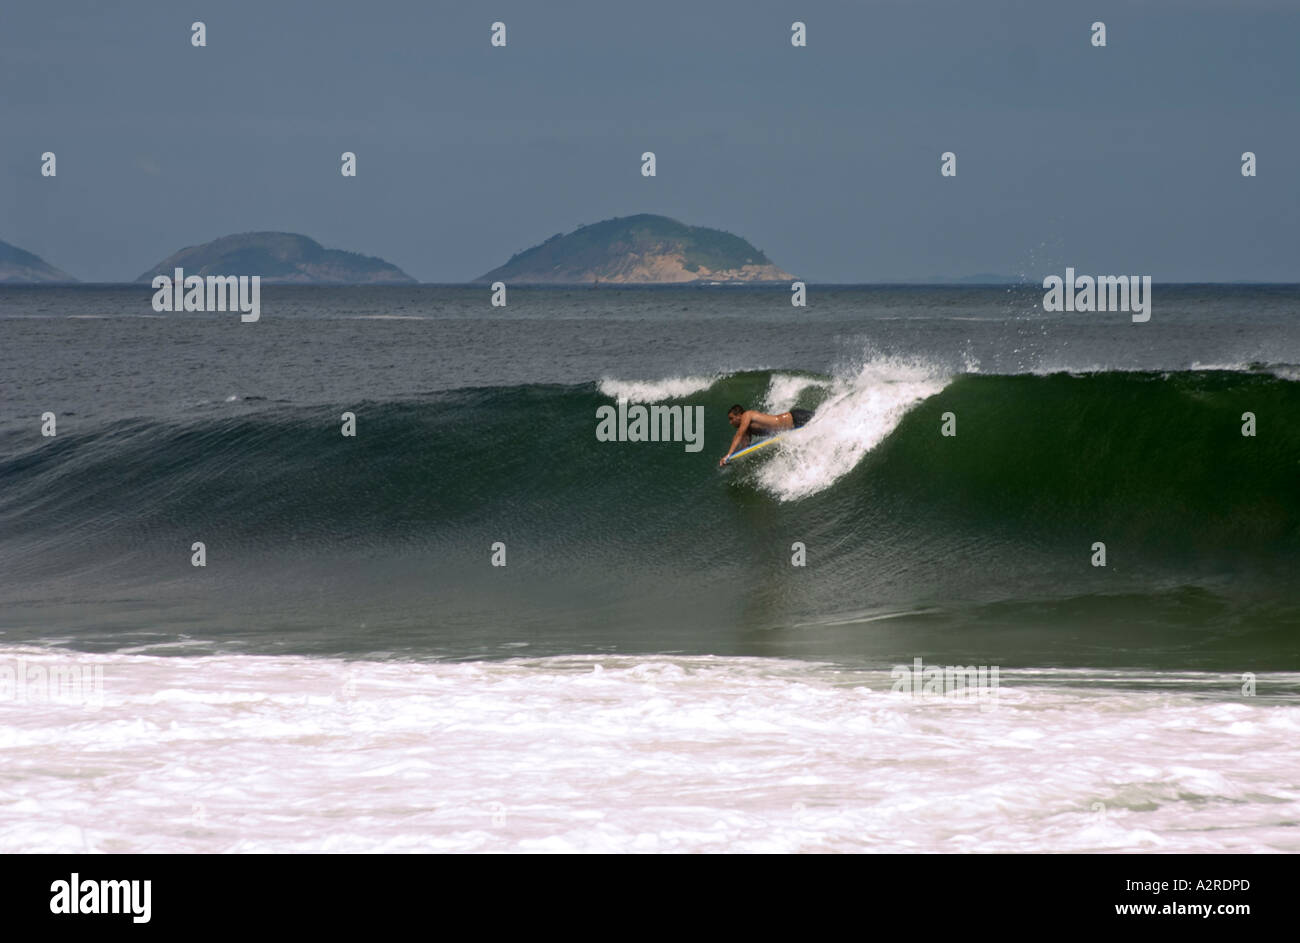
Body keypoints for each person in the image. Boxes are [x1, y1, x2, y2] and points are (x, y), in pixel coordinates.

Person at [719, 404, 814, 465]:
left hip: (796, 418)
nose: (730, 422)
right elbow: (745, 449)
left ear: (739, 415)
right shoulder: (747, 430)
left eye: (731, 419)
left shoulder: (747, 415)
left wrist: (728, 455)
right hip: (794, 425)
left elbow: (739, 435)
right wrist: (732, 460)